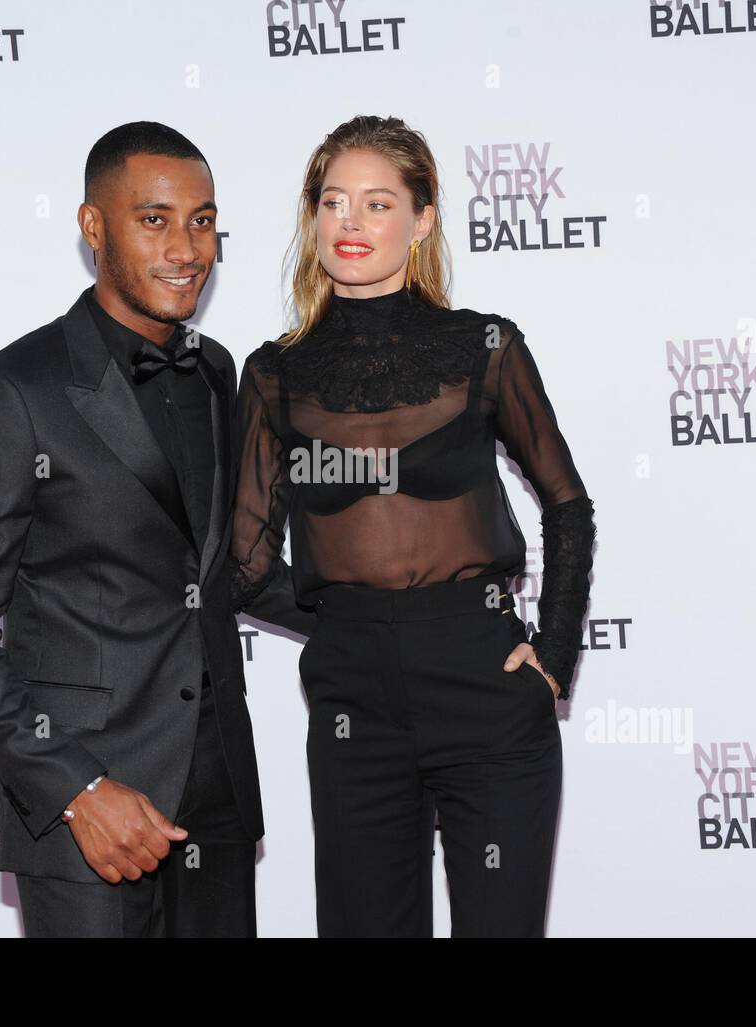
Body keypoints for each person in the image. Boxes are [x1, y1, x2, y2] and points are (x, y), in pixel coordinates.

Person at [0, 121, 314, 938]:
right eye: (155, 219)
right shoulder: (14, 393)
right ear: (94, 228)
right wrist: (76, 789)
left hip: (218, 799)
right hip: (87, 815)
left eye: (203, 221)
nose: (187, 247)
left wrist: (412, 616)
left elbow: (236, 565)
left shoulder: (214, 370)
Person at [227, 114, 597, 937]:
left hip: (485, 682)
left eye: (377, 202)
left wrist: (556, 654)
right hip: (356, 700)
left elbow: (566, 501)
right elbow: (242, 564)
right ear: (311, 217)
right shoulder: (275, 375)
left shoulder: (483, 347)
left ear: (422, 220)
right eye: (332, 202)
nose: (350, 223)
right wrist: (350, 616)